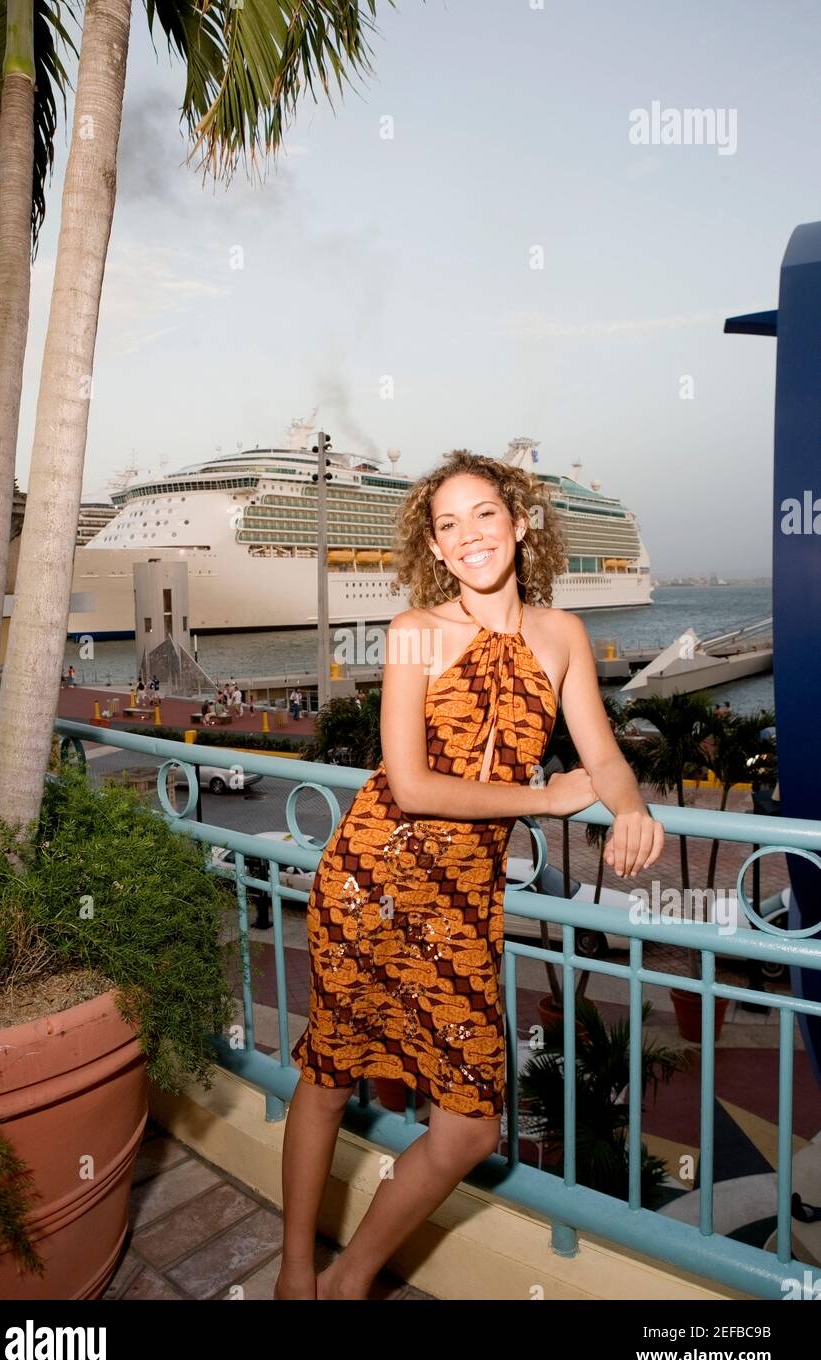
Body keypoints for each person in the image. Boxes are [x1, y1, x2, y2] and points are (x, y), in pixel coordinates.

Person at [275, 447, 666, 1301]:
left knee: (466, 1125)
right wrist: (545, 799)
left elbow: (600, 754)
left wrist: (628, 805)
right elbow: (409, 784)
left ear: (521, 524)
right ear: (438, 551)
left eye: (483, 513)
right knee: (330, 1076)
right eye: (448, 526)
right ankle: (296, 1274)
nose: (469, 535)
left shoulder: (564, 636)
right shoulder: (414, 633)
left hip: (463, 902)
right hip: (370, 881)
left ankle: (352, 1277)